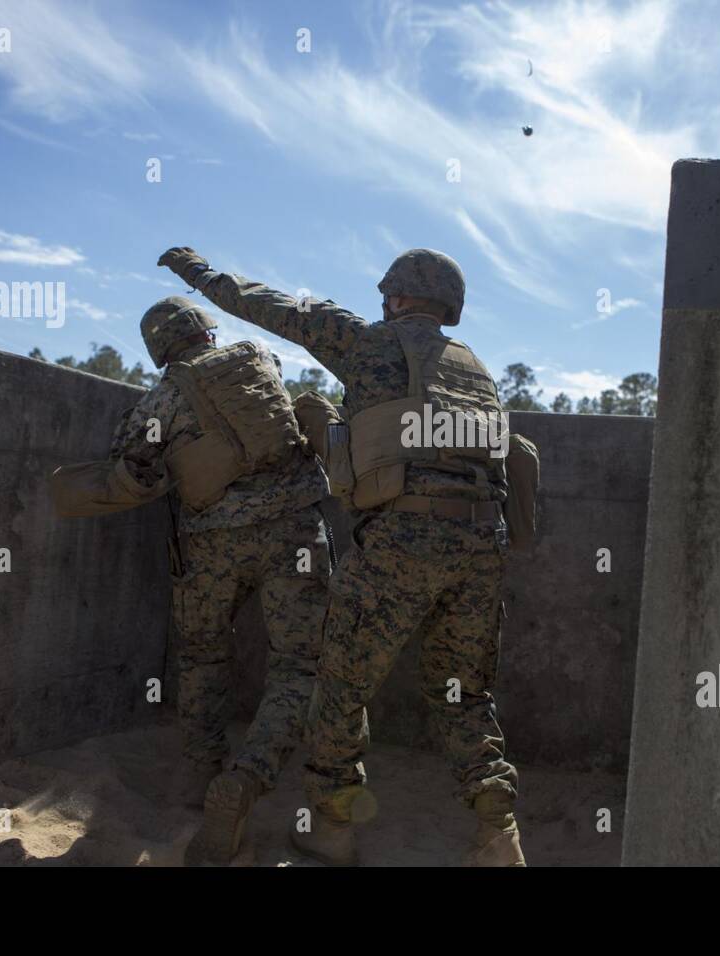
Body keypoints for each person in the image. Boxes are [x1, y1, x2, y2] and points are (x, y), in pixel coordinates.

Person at [157, 247, 525, 866]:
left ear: (398, 298)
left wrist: (199, 273)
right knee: (464, 694)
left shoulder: (365, 341)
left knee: (340, 686)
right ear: (449, 307)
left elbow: (266, 305)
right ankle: (498, 834)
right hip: (483, 545)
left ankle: (331, 825)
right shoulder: (475, 368)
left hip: (400, 542)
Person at [49, 295, 331, 865]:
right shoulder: (260, 358)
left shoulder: (161, 396)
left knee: (203, 656)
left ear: (159, 349)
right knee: (301, 666)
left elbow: (130, 460)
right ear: (207, 331)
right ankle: (248, 779)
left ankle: (199, 773)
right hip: (296, 534)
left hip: (212, 543)